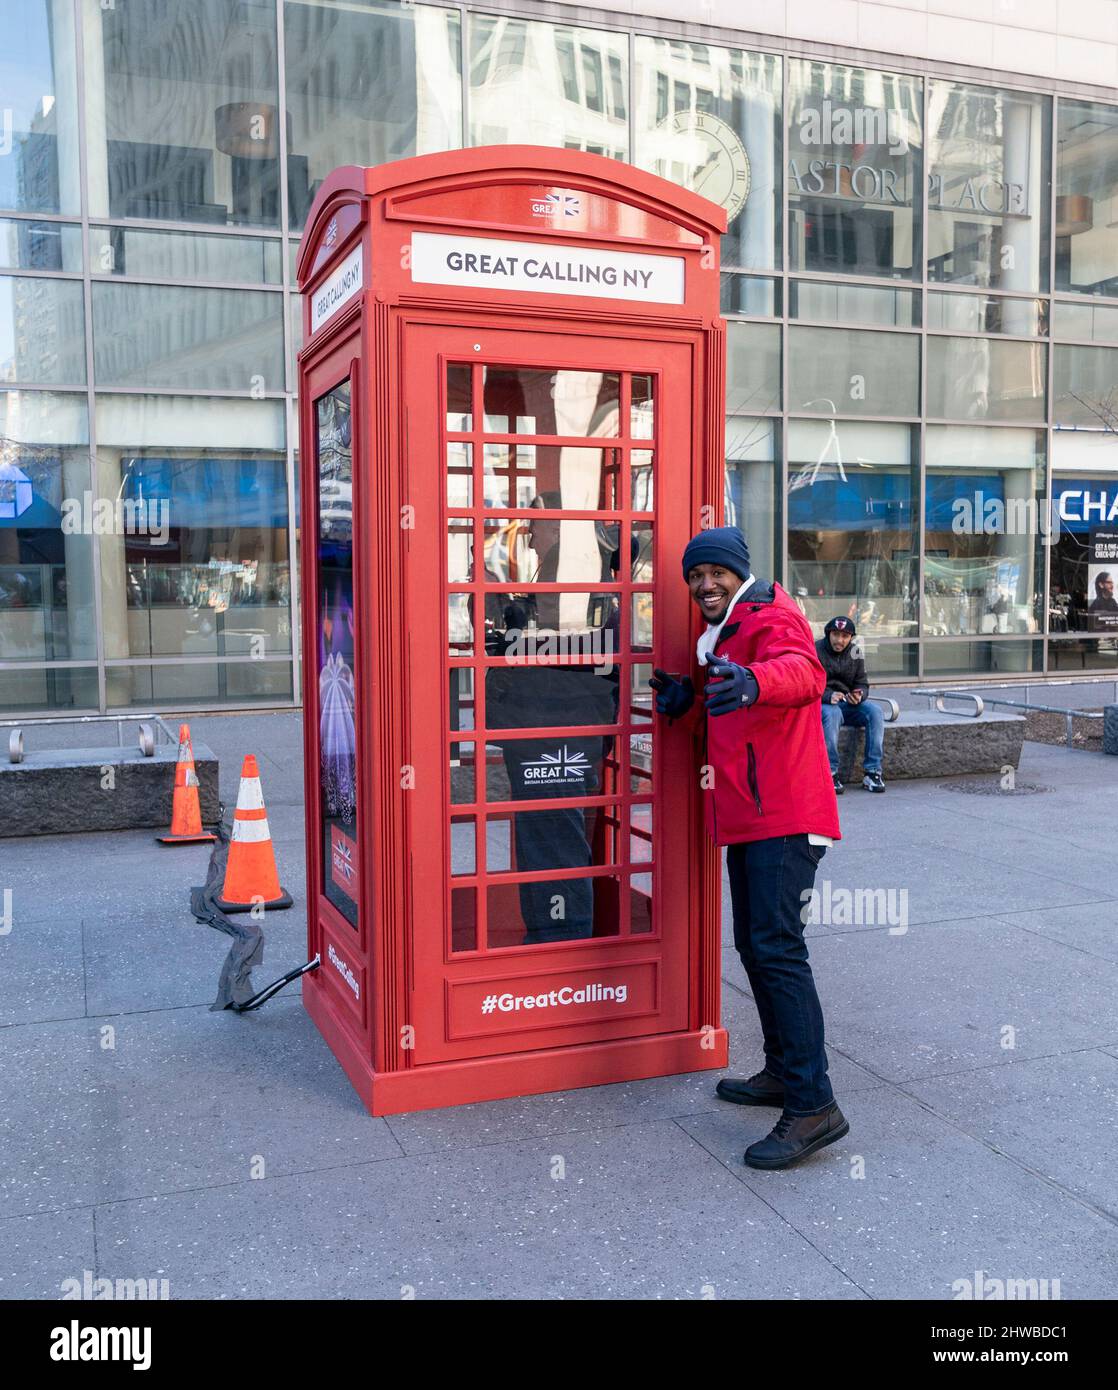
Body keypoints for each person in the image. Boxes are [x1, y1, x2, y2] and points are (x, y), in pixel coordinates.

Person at [649, 526, 848, 1171]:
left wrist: (757, 683)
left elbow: (803, 671)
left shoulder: (767, 613)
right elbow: (734, 697)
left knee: (778, 951)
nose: (705, 584)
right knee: (756, 948)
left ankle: (814, 1104)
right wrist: (691, 701)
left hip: (785, 817)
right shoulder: (727, 633)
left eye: (716, 573)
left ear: (739, 573)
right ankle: (783, 1073)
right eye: (695, 576)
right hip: (751, 817)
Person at [817, 616, 885, 795]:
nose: (840, 640)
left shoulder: (855, 652)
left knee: (875, 712)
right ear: (828, 633)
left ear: (851, 638)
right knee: (832, 714)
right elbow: (806, 684)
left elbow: (862, 683)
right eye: (836, 634)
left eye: (845, 636)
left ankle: (872, 772)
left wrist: (859, 695)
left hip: (847, 704)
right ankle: (830, 772)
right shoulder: (815, 650)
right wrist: (827, 696)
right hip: (822, 706)